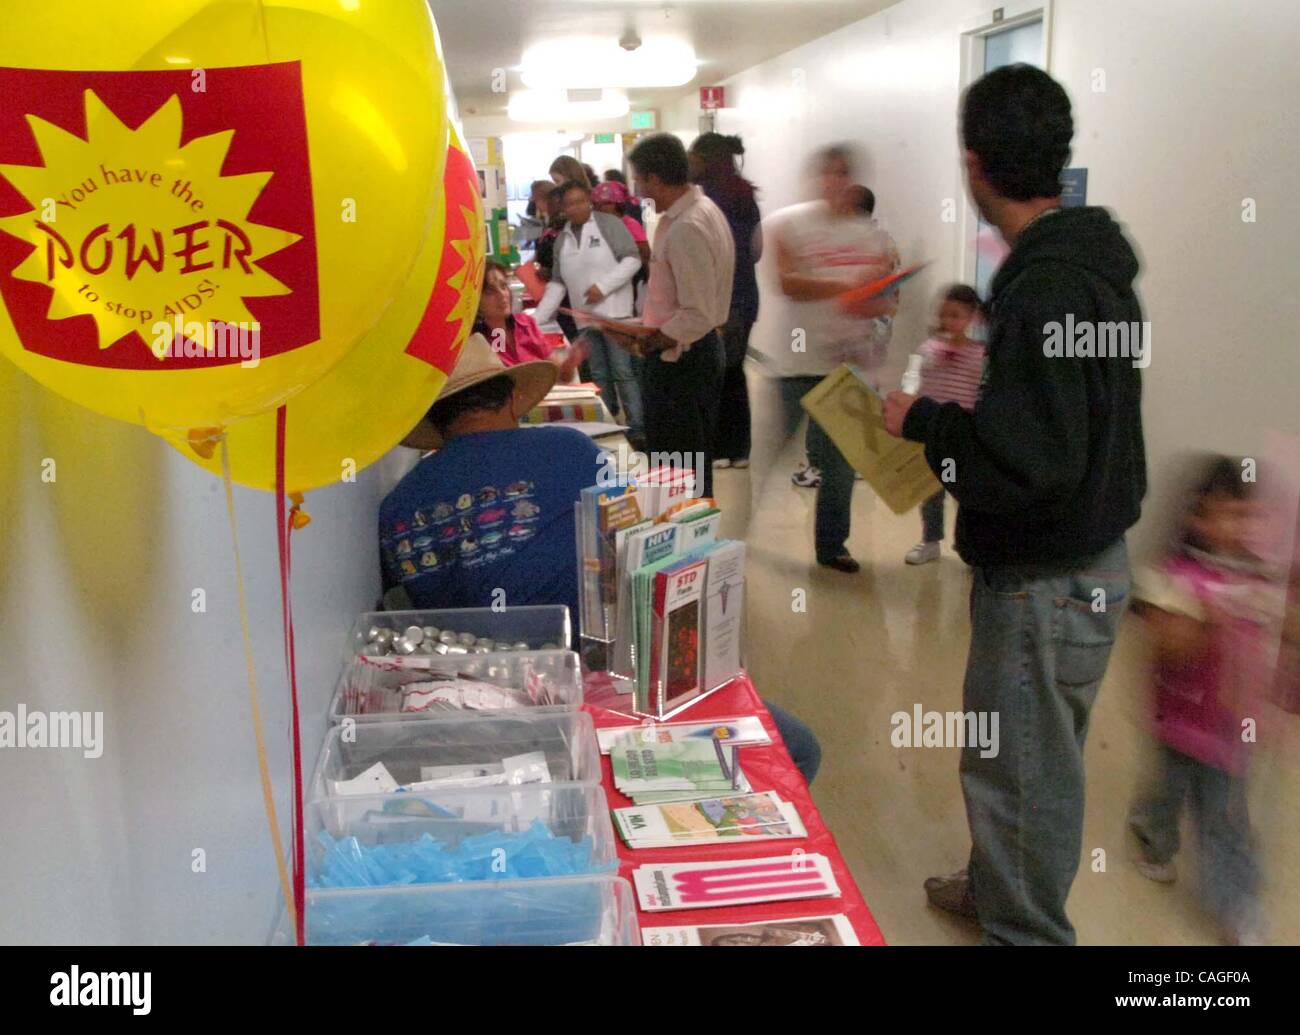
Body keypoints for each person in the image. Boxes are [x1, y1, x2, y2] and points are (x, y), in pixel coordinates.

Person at [882, 64, 1147, 945]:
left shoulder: (1044, 287)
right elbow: (1058, 432)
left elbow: (1029, 467)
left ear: (974, 163)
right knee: (1029, 756)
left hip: (1045, 579)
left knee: (1022, 770)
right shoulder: (1089, 265)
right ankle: (1001, 882)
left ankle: (1023, 927)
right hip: (1089, 564)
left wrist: (925, 421)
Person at [1127, 456, 1270, 945]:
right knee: (1169, 790)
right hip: (1180, 720)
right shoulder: (1174, 577)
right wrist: (1210, 620)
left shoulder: (1253, 581)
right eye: (1228, 514)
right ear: (1198, 518)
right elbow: (1170, 647)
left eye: (1248, 515)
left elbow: (1268, 649)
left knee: (1225, 816)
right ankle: (1152, 835)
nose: (1241, 527)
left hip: (1231, 727)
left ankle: (1235, 903)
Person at [380, 333, 605, 622]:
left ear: (435, 420)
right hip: (583, 649)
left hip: (467, 660)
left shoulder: (396, 506)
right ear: (513, 399)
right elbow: (620, 531)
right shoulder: (570, 448)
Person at [763, 144, 898, 573]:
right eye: (829, 173)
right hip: (795, 362)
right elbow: (787, 282)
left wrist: (874, 300)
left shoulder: (872, 235)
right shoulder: (788, 224)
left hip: (848, 367)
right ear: (816, 179)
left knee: (840, 468)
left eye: (844, 173)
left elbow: (885, 298)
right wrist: (846, 288)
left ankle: (832, 547)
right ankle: (740, 535)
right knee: (771, 455)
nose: (836, 181)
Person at [605, 133, 735, 499]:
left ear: (655, 179)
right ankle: (687, 531)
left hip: (684, 358)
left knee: (680, 460)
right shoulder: (698, 211)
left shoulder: (687, 227)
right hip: (691, 350)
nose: (638, 189)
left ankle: (687, 538)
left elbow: (697, 312)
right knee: (687, 456)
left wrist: (648, 340)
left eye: (640, 180)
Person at [533, 179, 646, 447]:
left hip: (615, 316)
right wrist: (535, 321)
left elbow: (632, 259)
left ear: (589, 201)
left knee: (623, 372)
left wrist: (603, 287)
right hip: (584, 319)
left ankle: (639, 428)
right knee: (599, 374)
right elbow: (558, 282)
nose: (574, 208)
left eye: (580, 201)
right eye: (568, 204)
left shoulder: (609, 225)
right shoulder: (563, 239)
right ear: (562, 208)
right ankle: (605, 426)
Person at [689, 132, 762, 471]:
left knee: (716, 373)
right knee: (734, 372)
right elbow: (757, 249)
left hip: (722, 299)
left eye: (694, 156)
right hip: (745, 297)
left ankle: (719, 448)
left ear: (708, 159)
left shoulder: (706, 201)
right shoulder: (746, 196)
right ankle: (740, 450)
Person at [904, 284, 985, 565]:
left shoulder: (980, 354)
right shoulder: (928, 348)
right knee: (931, 490)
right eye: (944, 315)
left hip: (965, 434)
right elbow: (916, 382)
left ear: (972, 318)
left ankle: (970, 546)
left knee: (968, 494)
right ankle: (930, 541)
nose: (948, 322)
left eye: (956, 316)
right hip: (934, 431)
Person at [473, 261, 580, 379]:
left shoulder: (526, 324)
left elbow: (562, 375)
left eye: (503, 286)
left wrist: (569, 364)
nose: (502, 295)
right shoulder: (475, 342)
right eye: (490, 292)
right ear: (475, 301)